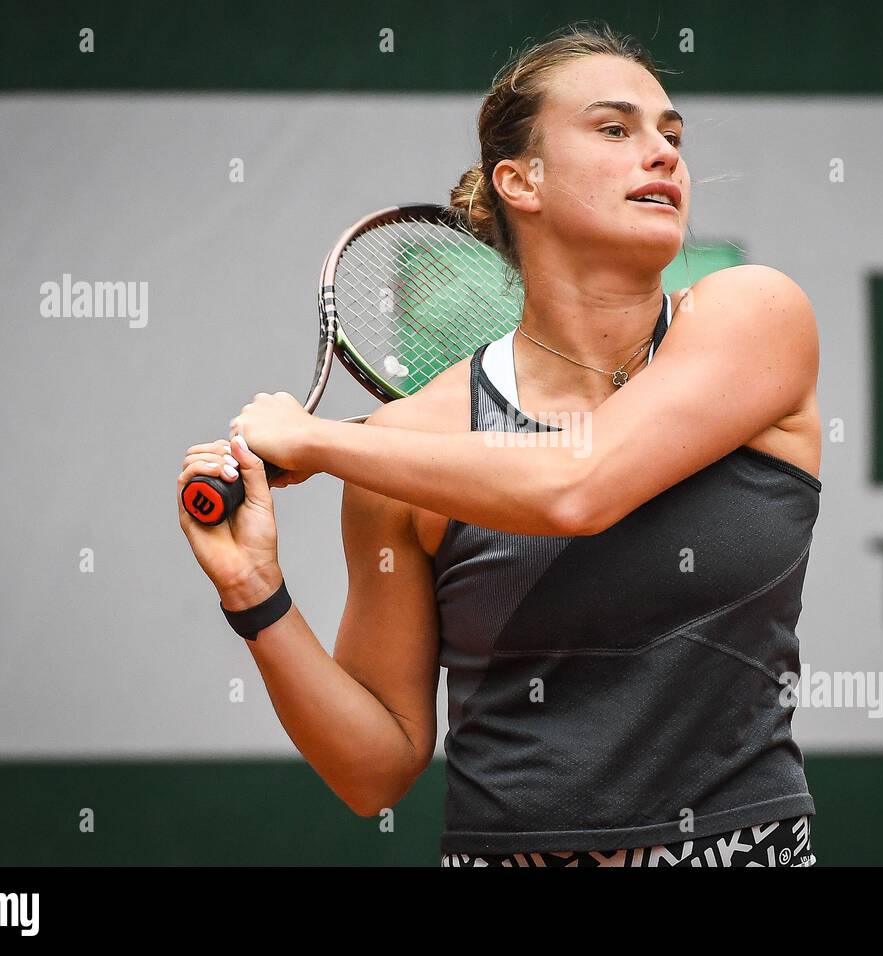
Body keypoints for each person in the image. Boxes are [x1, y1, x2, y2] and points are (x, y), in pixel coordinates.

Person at [177, 21, 822, 867]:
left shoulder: (757, 315)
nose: (662, 154)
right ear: (522, 181)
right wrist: (255, 593)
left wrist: (320, 441)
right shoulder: (404, 453)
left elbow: (578, 484)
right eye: (615, 128)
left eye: (671, 135)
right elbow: (375, 770)